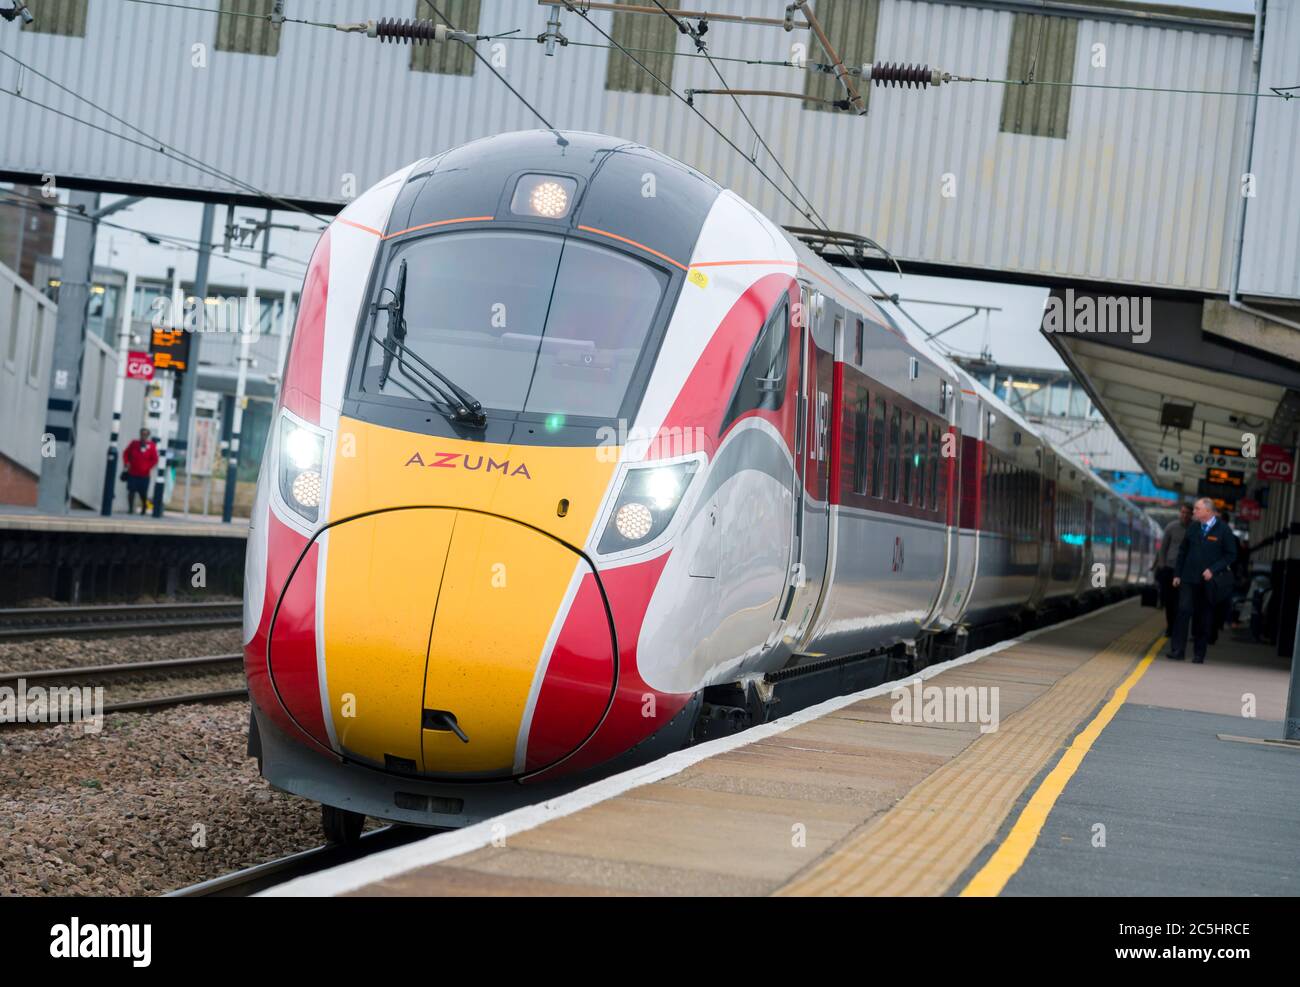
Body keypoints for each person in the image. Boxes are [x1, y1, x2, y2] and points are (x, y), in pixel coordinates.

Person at [1167, 497, 1237, 663]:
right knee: (1183, 611)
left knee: (1203, 616)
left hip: (1208, 582)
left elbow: (1231, 555)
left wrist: (1213, 570)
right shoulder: (1193, 527)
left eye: (1197, 509)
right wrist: (1177, 574)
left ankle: (1199, 654)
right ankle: (1178, 650)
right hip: (1188, 578)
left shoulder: (1223, 530)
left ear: (1208, 511)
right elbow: (1183, 551)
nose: (1194, 512)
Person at [1154, 503, 1192, 637]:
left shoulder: (1195, 529)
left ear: (1192, 515)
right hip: (1170, 569)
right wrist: (1162, 565)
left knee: (1182, 602)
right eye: (1182, 512)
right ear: (1179, 513)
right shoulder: (1171, 527)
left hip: (1186, 572)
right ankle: (1170, 626)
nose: (1184, 515)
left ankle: (1179, 628)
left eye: (1187, 513)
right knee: (1169, 601)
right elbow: (1163, 549)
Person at [122, 428, 159, 516]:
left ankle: (144, 508)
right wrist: (126, 462)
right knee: (131, 491)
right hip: (133, 473)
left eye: (145, 434)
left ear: (148, 436)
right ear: (140, 434)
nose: (143, 436)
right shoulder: (134, 443)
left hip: (144, 475)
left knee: (143, 493)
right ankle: (130, 509)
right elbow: (126, 453)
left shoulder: (151, 446)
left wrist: (147, 467)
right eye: (142, 434)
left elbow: (155, 459)